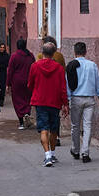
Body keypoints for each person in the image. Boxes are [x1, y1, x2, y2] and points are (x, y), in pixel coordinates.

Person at [27, 38, 69, 167]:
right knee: (54, 129)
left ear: (42, 52)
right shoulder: (59, 68)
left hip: (40, 101)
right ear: (54, 53)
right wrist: (65, 104)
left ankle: (47, 156)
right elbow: (63, 88)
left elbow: (30, 84)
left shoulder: (35, 66)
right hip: (54, 102)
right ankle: (52, 152)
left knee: (43, 129)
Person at [66, 41, 99, 163]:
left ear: (75, 52)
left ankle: (75, 150)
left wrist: (67, 100)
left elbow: (67, 84)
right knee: (87, 126)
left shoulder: (71, 65)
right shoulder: (92, 65)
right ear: (85, 52)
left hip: (76, 98)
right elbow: (98, 84)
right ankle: (85, 152)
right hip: (89, 99)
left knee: (75, 126)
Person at [6, 39, 35, 130]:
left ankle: (21, 122)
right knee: (27, 98)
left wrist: (8, 84)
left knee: (18, 100)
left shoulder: (14, 56)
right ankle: (27, 113)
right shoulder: (30, 56)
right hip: (29, 81)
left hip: (17, 82)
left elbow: (10, 70)